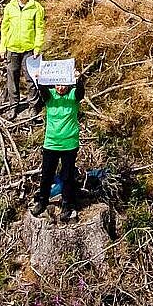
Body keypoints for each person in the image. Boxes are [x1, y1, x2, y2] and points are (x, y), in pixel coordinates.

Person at [37, 63, 90, 219]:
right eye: (57, 84)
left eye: (64, 84)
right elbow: (42, 91)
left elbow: (80, 93)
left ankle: (67, 204)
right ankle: (42, 201)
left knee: (67, 176)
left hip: (69, 144)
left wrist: (78, 79)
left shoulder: (73, 96)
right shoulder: (50, 95)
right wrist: (40, 79)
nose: (60, 88)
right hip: (51, 143)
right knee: (46, 175)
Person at [0, 0, 44, 110]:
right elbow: (4, 28)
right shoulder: (9, 7)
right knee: (12, 78)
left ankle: (33, 107)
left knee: (31, 78)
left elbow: (40, 29)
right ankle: (13, 106)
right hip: (12, 48)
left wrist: (37, 47)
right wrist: (3, 47)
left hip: (29, 49)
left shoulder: (36, 8)